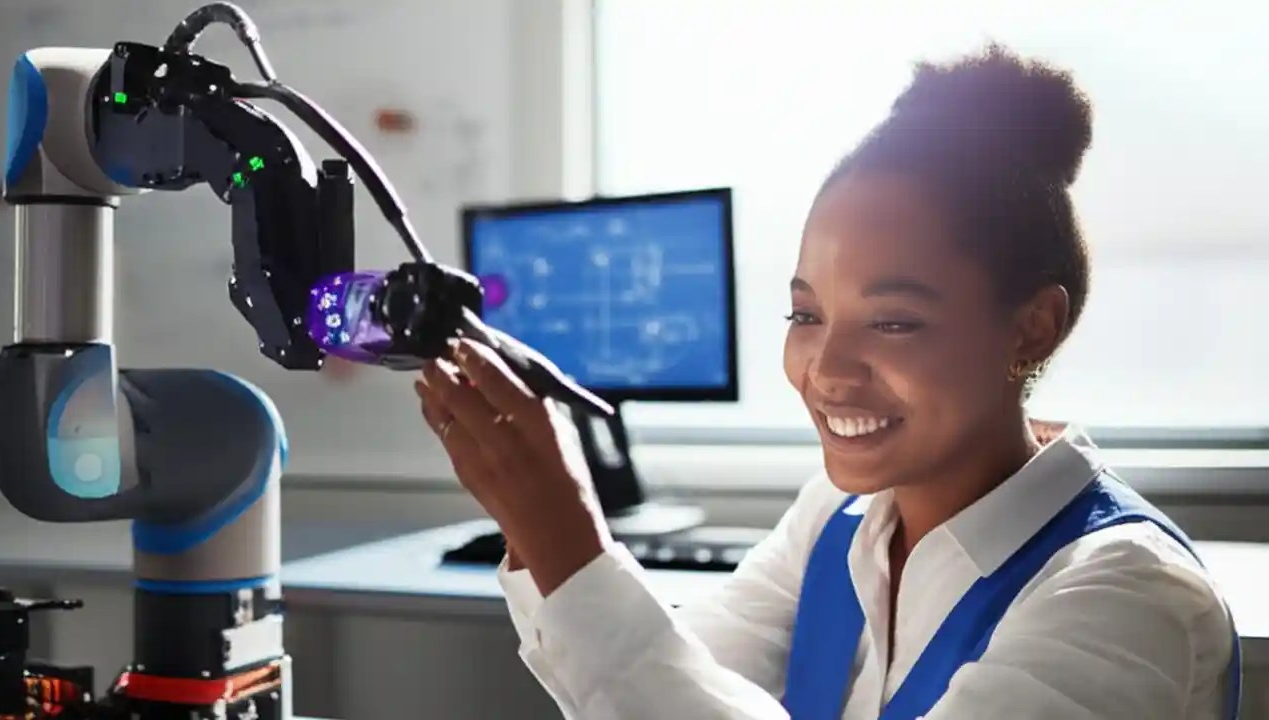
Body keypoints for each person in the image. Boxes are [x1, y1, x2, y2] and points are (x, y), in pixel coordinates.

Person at [415, 44, 1239, 719]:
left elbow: (641, 672)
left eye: (892, 322)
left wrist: (572, 549)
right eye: (805, 316)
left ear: (1031, 327)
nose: (827, 372)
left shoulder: (1127, 592)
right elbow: (675, 679)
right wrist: (532, 517)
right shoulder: (837, 521)